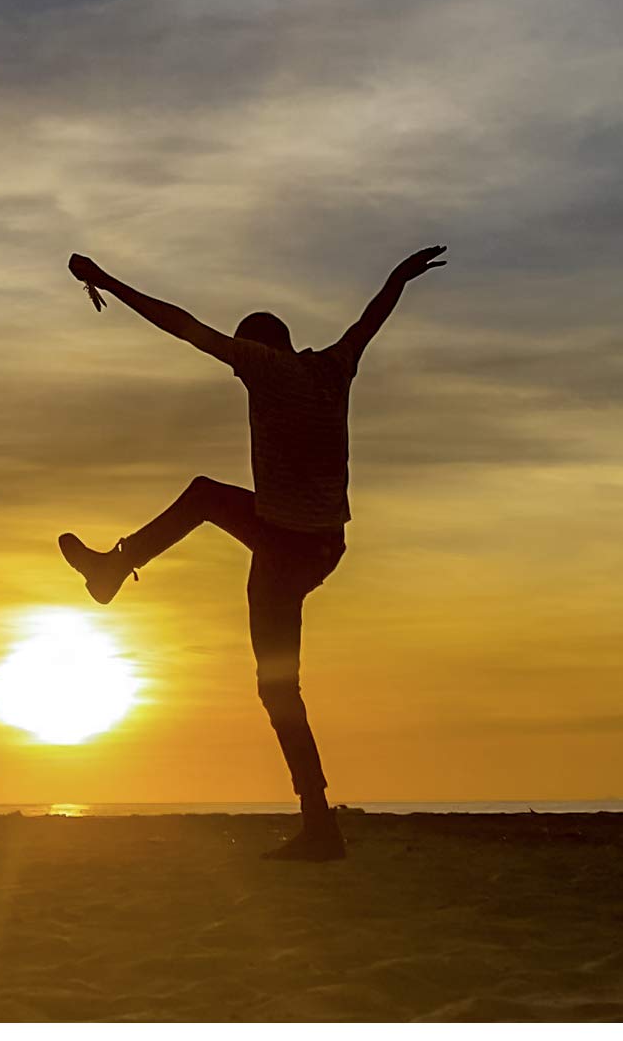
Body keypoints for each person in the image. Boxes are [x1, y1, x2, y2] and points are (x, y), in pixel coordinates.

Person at [58, 246, 447, 861]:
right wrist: (398, 276)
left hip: (281, 542)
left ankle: (114, 567)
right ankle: (320, 825)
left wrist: (105, 279)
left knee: (275, 683)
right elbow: (370, 321)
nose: (238, 375)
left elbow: (178, 323)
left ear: (256, 350)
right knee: (275, 670)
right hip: (322, 545)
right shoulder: (333, 367)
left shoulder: (263, 367)